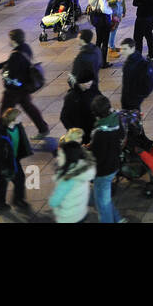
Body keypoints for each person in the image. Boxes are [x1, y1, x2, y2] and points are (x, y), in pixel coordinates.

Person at [0, 28, 50, 137]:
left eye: (10, 39)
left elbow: (12, 72)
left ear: (13, 40)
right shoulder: (25, 48)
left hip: (14, 90)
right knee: (30, 108)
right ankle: (43, 128)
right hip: (24, 87)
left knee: (4, 113)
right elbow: (12, 62)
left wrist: (5, 74)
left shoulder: (15, 55)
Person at [86, 94, 122, 223]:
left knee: (102, 203)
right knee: (103, 198)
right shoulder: (116, 119)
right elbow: (120, 137)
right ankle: (118, 219)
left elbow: (98, 157)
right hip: (114, 164)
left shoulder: (99, 132)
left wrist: (88, 151)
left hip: (103, 170)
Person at [48, 130, 97, 223]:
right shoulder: (83, 169)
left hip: (68, 217)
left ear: (68, 158)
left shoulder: (67, 180)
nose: (58, 158)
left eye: (60, 156)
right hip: (81, 213)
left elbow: (54, 202)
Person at [0, 107, 32, 212]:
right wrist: (3, 167)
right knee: (2, 183)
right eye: (19, 116)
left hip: (13, 159)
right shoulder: (1, 134)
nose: (21, 117)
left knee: (20, 179)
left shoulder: (18, 126)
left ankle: (18, 200)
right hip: (3, 163)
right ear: (13, 119)